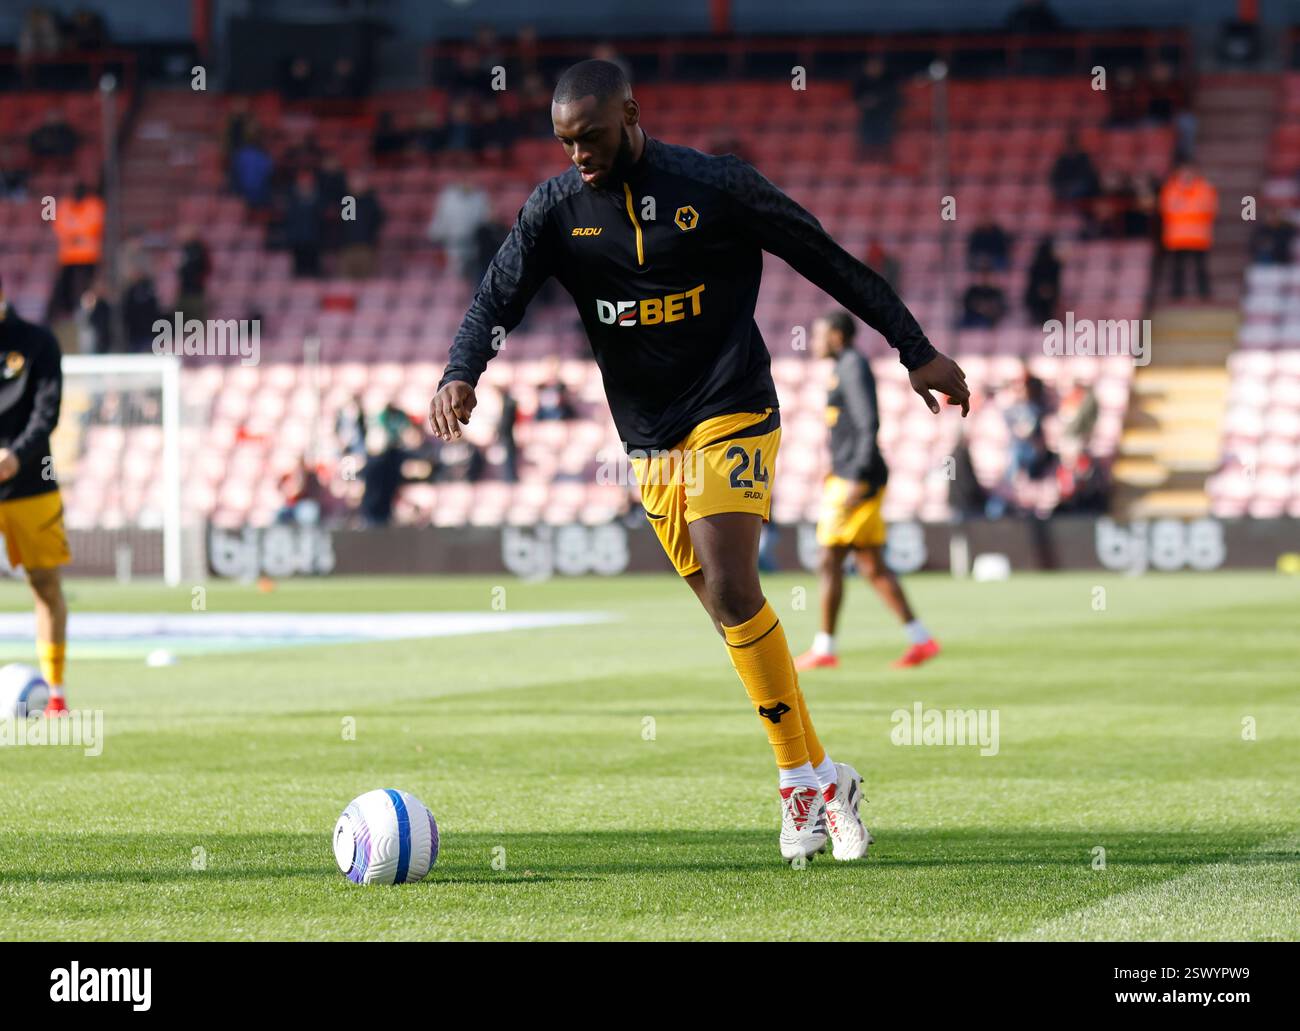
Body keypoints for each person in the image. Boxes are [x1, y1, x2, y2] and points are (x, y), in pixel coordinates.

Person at [428, 59, 970, 864]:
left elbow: (824, 257)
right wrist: (460, 370)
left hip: (733, 405)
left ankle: (794, 784)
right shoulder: (556, 209)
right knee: (727, 614)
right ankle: (829, 777)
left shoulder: (715, 186)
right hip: (647, 436)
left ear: (632, 114)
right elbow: (496, 295)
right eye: (566, 142)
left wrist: (914, 347)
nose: (579, 153)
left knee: (730, 580)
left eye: (593, 136)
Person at [794, 311, 940, 673]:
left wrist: (855, 473)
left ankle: (825, 648)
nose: (813, 342)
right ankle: (921, 640)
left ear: (837, 337)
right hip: (852, 473)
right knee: (871, 564)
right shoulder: (845, 366)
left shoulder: (852, 366)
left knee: (828, 558)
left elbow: (867, 422)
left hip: (857, 478)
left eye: (819, 334)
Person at [0, 277, 72, 715]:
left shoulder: (38, 342)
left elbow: (49, 413)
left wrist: (16, 456)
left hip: (31, 486)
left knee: (45, 584)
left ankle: (56, 694)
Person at [1159, 161, 1217, 300]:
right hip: (1177, 236)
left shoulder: (1204, 189)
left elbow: (1209, 209)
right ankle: (1176, 295)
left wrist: (1184, 208)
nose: (1186, 175)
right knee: (1177, 268)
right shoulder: (1171, 189)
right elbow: (1166, 210)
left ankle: (1204, 294)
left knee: (1200, 268)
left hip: (1199, 236)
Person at [47, 182, 104, 322]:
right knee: (66, 286)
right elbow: (59, 227)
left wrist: (75, 233)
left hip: (89, 255)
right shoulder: (64, 205)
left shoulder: (94, 205)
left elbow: (95, 225)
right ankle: (68, 312)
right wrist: (78, 234)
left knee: (88, 285)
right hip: (68, 256)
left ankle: (88, 311)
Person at [1024, 236, 1061, 325]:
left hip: (1050, 294)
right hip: (1036, 295)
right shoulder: (1037, 266)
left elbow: (1056, 282)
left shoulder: (1054, 266)